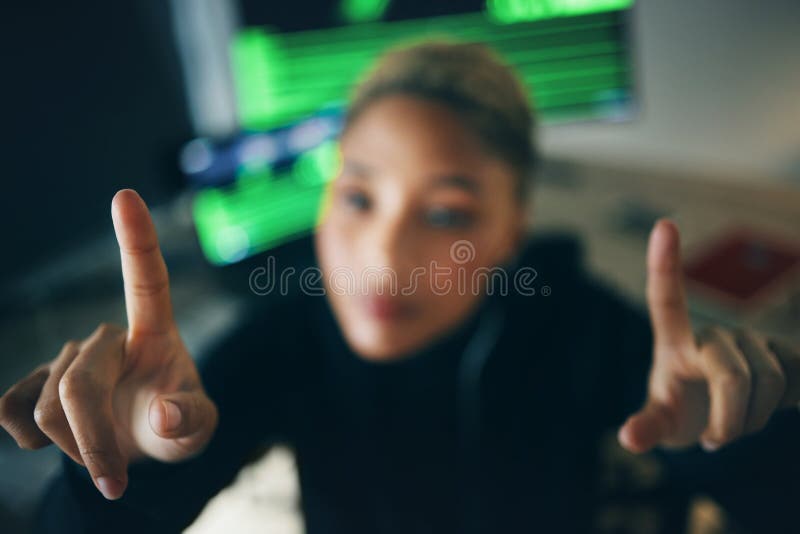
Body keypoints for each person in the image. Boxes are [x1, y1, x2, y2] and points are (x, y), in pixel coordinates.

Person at [1, 40, 798, 534]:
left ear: (511, 232)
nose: (382, 253)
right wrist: (127, 466)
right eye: (357, 196)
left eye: (446, 211)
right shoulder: (291, 330)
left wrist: (731, 449)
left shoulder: (580, 325)